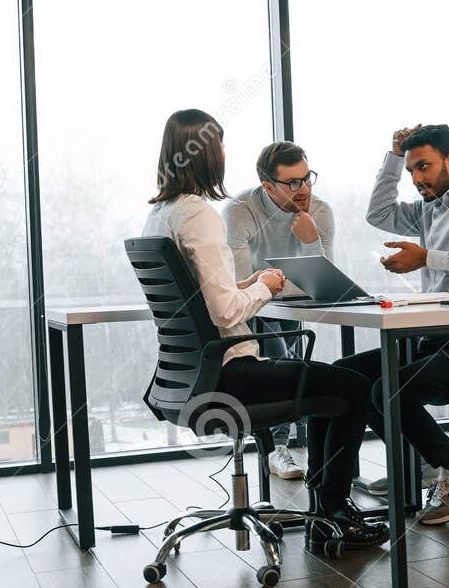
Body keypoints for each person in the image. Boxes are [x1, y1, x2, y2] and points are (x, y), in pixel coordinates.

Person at [142, 111, 387, 551]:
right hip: (231, 373)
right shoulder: (200, 214)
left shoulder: (161, 214)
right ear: (209, 154)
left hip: (188, 377)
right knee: (351, 385)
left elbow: (202, 297)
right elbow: (226, 311)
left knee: (335, 382)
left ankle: (327, 510)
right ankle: (333, 513)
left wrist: (246, 283)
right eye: (220, 146)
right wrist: (265, 286)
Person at [334, 123, 449, 524]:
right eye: (411, 171)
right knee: (347, 375)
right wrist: (393, 157)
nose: (417, 179)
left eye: (424, 167)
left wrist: (427, 258)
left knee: (388, 389)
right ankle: (416, 466)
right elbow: (378, 213)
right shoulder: (428, 209)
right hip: (431, 336)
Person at [223, 142, 336, 482]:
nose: (304, 189)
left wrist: (311, 241)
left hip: (295, 311)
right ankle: (277, 446)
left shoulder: (320, 211)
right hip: (252, 312)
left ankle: (296, 451)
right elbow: (240, 283)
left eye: (308, 178)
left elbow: (325, 285)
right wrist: (285, 283)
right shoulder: (240, 211)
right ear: (268, 186)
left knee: (297, 366)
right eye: (293, 183)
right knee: (283, 357)